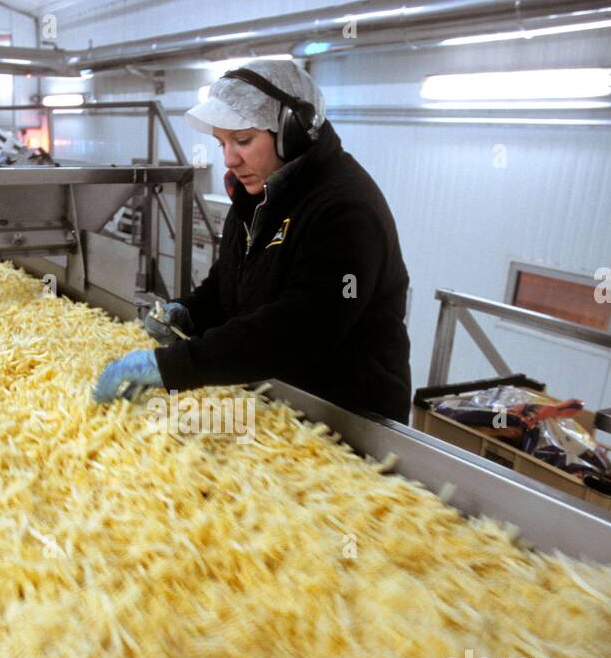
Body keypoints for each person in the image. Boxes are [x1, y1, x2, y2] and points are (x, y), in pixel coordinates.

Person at [91, 58, 412, 422]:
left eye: (242, 140)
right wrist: (189, 311)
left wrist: (175, 365)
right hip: (279, 406)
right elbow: (229, 282)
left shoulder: (346, 210)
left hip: (350, 420)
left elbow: (301, 327)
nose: (229, 159)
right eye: (221, 142)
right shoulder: (256, 195)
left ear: (292, 130)